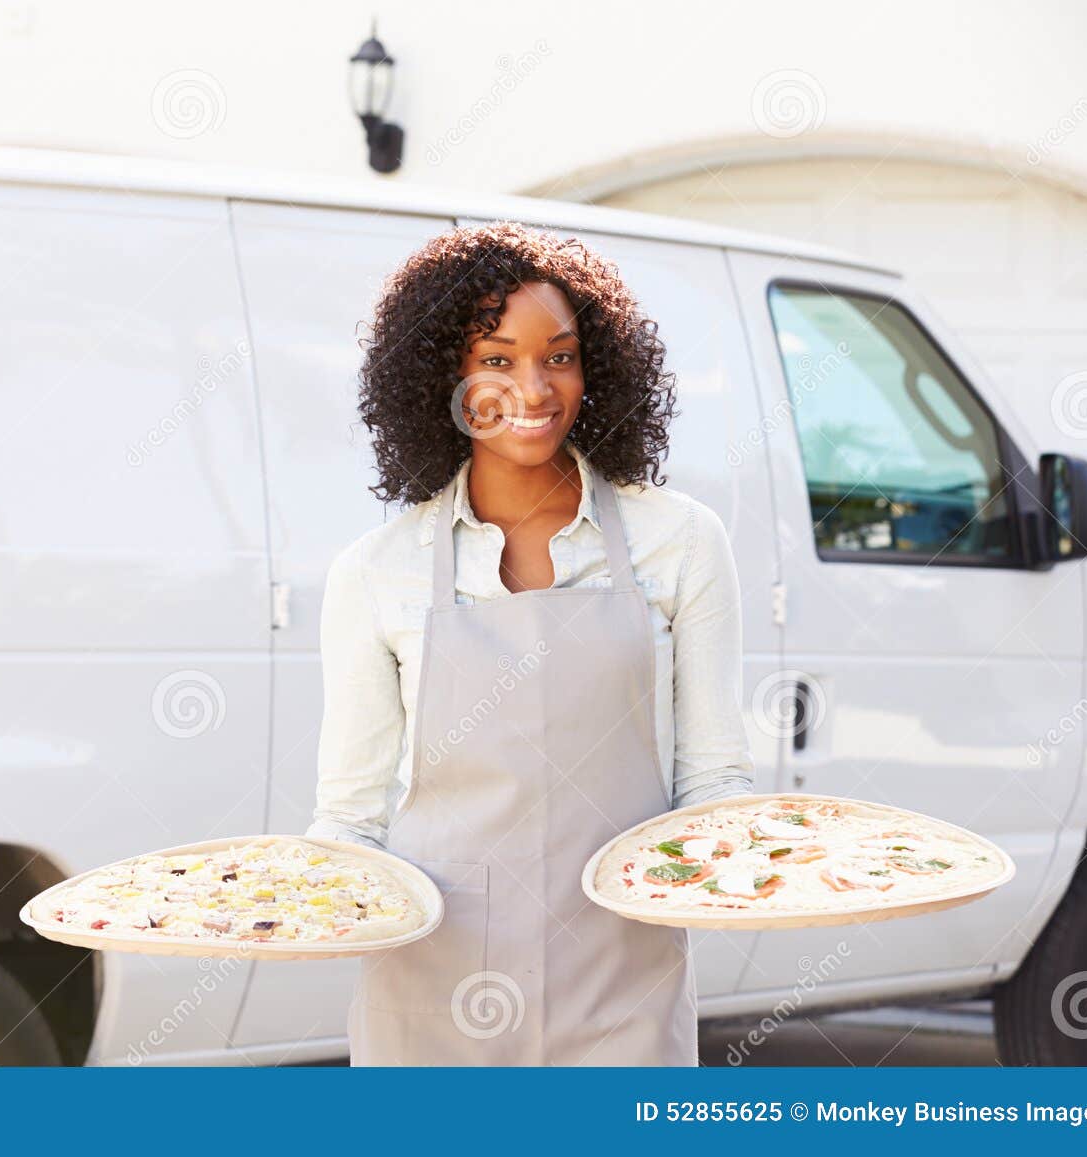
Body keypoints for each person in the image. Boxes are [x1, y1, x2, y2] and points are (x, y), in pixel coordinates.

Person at [305, 221, 755, 1065]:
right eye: (497, 358)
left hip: (622, 981)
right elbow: (351, 817)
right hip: (433, 989)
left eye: (561, 356)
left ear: (598, 367)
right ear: (444, 377)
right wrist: (293, 898)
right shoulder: (375, 571)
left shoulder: (682, 541)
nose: (534, 387)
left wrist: (765, 865)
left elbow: (714, 780)